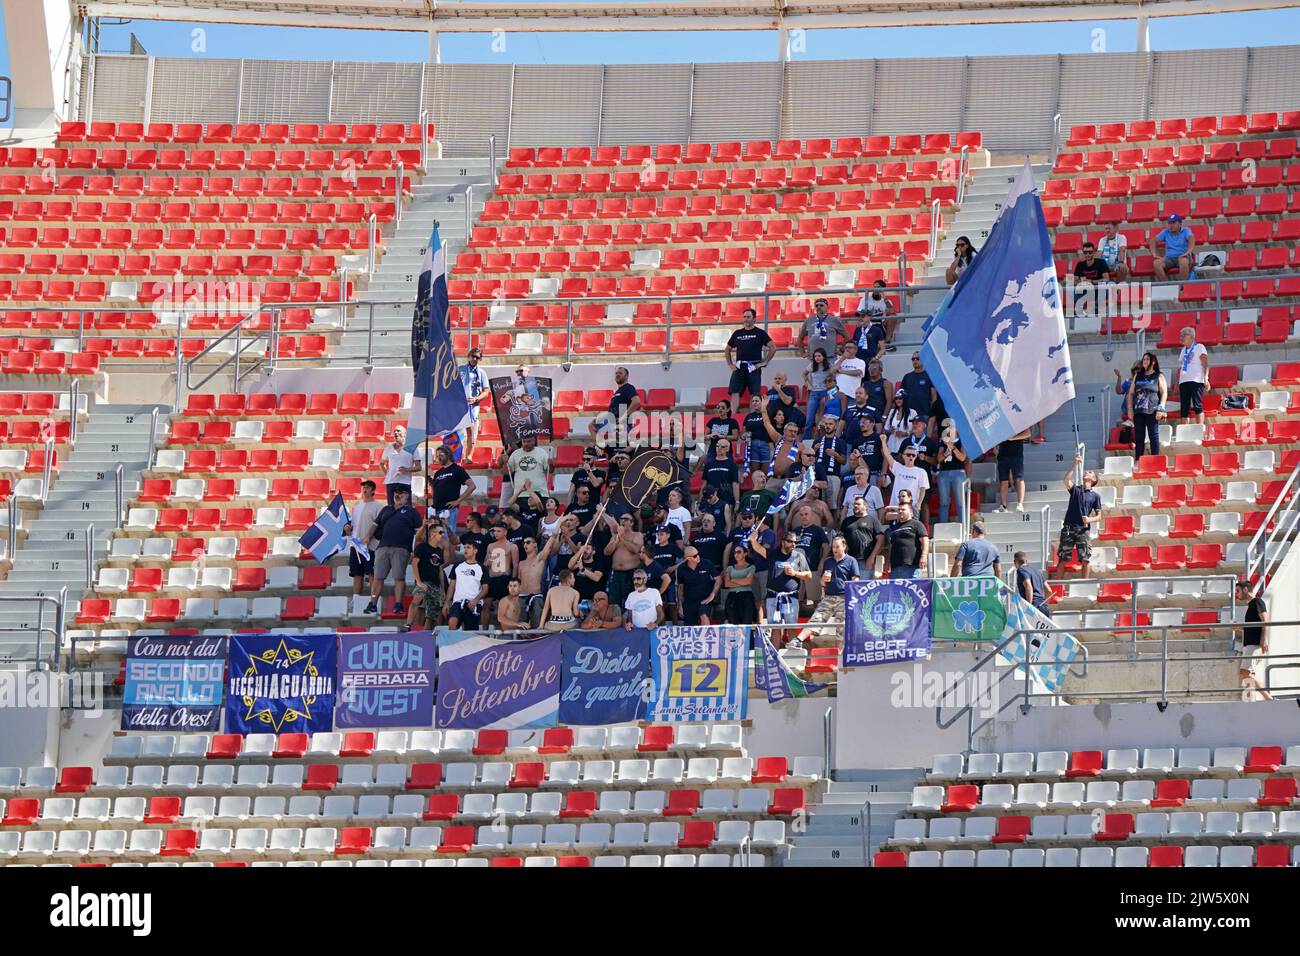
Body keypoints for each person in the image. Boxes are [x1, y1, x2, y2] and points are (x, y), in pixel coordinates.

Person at [366, 487, 423, 615]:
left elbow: (419, 532)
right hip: (383, 547)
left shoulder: (412, 512)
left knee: (399, 577)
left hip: (401, 548)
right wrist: (366, 538)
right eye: (396, 493)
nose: (397, 494)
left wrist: (416, 550)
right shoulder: (386, 509)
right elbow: (374, 526)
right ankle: (373, 603)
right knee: (378, 577)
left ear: (406, 495)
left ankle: (398, 604)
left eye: (400, 492)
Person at [1058, 453, 1102, 580]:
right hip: (1069, 527)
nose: (1086, 472)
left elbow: (1099, 516)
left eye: (1090, 472)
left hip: (1083, 529)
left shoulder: (1095, 496)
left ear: (1093, 480)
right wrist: (1074, 464)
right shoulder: (1076, 490)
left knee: (1085, 557)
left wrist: (1089, 519)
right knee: (1062, 557)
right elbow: (1066, 480)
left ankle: (1084, 584)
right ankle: (1058, 584)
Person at [725, 308, 775, 415]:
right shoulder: (737, 333)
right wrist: (730, 364)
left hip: (753, 367)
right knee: (735, 392)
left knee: (754, 394)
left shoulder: (760, 333)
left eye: (748, 317)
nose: (746, 319)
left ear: (754, 319)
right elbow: (727, 349)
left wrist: (764, 362)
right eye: (744, 317)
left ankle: (751, 417)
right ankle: (733, 416)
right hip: (739, 367)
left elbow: (773, 347)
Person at [766, 531, 811, 645]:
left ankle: (792, 659)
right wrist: (752, 539)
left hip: (790, 598)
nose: (793, 545)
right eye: (790, 542)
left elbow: (809, 575)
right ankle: (776, 658)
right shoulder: (773, 554)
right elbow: (759, 550)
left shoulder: (799, 555)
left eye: (795, 542)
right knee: (775, 628)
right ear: (783, 542)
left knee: (791, 626)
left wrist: (795, 573)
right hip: (773, 597)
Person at [1125, 351, 1168, 460]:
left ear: (1153, 362)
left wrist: (1161, 408)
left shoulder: (1158, 375)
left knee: (1153, 435)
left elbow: (1164, 392)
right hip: (1138, 410)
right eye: (1143, 359)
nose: (1145, 361)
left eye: (1147, 359)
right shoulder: (1137, 375)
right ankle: (1139, 461)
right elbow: (1130, 393)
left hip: (1152, 410)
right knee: (1139, 437)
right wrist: (1129, 409)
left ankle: (1155, 460)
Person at [406, 522, 448, 631]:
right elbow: (414, 563)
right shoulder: (422, 547)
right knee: (416, 601)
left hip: (435, 584)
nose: (442, 534)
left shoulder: (439, 550)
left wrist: (442, 589)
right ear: (432, 534)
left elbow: (439, 570)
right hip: (423, 581)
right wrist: (419, 582)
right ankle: (408, 625)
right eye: (440, 532)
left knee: (431, 614)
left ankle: (426, 633)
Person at [344, 479, 382, 597]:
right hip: (356, 545)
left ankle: (373, 600)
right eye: (364, 487)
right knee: (357, 573)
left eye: (368, 487)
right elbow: (354, 525)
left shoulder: (378, 507)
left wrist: (371, 538)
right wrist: (347, 529)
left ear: (373, 490)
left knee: (371, 573)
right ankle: (356, 599)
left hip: (370, 546)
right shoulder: (357, 507)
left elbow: (380, 526)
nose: (365, 490)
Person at [872, 500, 928, 579]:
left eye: (903, 509)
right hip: (895, 568)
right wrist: (887, 563)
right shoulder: (894, 527)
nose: (900, 511)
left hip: (911, 566)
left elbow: (925, 541)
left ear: (911, 512)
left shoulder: (917, 524)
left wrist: (924, 556)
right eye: (899, 510)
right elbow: (891, 547)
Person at [1236, 579, 1272, 702]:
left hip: (1254, 644)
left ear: (1245, 589)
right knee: (1247, 674)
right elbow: (1253, 626)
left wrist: (1264, 639)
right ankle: (1250, 700)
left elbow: (1265, 620)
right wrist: (1240, 628)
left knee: (1245, 672)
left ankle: (1269, 698)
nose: (1237, 594)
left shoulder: (1257, 601)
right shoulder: (1251, 605)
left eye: (1238, 591)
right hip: (1249, 644)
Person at [428, 446, 476, 535]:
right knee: (437, 538)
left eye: (441, 455)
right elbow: (435, 490)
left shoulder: (457, 469)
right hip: (437, 509)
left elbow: (472, 486)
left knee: (448, 536)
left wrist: (458, 501)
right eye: (437, 456)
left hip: (449, 510)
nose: (439, 458)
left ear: (448, 455)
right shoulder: (438, 472)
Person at [589, 366, 641, 443]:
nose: (617, 374)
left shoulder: (628, 387)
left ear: (626, 376)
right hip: (612, 421)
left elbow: (636, 401)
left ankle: (602, 447)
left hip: (621, 422)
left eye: (620, 373)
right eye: (616, 373)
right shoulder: (617, 392)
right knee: (592, 425)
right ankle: (600, 448)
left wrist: (624, 416)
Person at [445, 539, 486, 630]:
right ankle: (452, 644)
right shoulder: (457, 566)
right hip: (458, 602)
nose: (466, 550)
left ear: (475, 551)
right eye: (465, 548)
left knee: (470, 633)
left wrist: (475, 600)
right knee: (452, 622)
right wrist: (447, 603)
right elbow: (452, 586)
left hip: (474, 603)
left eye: (468, 547)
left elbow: (485, 589)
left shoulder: (481, 567)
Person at [933, 421, 969, 524]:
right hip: (944, 473)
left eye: (951, 427)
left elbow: (962, 457)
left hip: (958, 472)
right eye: (947, 427)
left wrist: (952, 447)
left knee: (960, 501)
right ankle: (942, 526)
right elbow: (939, 458)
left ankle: (964, 526)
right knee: (944, 502)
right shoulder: (943, 440)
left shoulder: (962, 440)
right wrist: (945, 453)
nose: (949, 429)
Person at [879, 439, 930, 511]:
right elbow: (887, 455)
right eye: (908, 455)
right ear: (903, 456)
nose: (911, 457)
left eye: (913, 455)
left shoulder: (921, 471)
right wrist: (883, 441)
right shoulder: (898, 467)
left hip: (912, 508)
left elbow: (923, 489)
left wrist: (919, 503)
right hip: (896, 506)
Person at [459, 347, 491, 458]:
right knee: (459, 431)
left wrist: (476, 399)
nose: (474, 359)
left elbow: (486, 391)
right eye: (473, 356)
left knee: (471, 430)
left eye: (477, 357)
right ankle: (458, 455)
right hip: (460, 404)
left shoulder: (481, 373)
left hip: (473, 405)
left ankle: (469, 456)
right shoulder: (460, 369)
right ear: (468, 356)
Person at [840, 495, 883, 577]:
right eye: (854, 504)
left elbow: (881, 539)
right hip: (848, 560)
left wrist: (872, 557)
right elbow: (840, 539)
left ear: (865, 506)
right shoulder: (846, 521)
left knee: (863, 587)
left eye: (858, 504)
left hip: (865, 560)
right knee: (849, 588)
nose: (855, 506)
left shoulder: (873, 520)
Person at [677, 547, 720, 626]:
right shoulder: (681, 569)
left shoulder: (706, 563)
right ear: (687, 558)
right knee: (689, 627)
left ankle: (706, 637)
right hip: (689, 601)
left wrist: (712, 595)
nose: (698, 557)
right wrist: (680, 605)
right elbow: (680, 587)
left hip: (705, 599)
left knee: (703, 615)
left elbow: (718, 579)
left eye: (698, 554)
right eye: (694, 556)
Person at [1175, 326, 1209, 426]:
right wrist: (1177, 383)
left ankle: (1199, 429)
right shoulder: (1183, 350)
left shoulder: (1200, 347)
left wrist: (1206, 378)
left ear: (1191, 336)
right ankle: (1184, 432)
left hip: (1196, 380)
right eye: (1181, 336)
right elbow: (1181, 367)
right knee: (1184, 407)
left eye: (1183, 335)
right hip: (1183, 381)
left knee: (1197, 404)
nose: (1181, 338)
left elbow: (1205, 363)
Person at [853, 279, 896, 356]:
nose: (875, 289)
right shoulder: (866, 299)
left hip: (881, 323)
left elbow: (892, 311)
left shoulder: (885, 300)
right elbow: (858, 313)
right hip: (868, 323)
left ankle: (886, 342)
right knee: (860, 323)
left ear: (883, 289)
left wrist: (884, 298)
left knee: (893, 317)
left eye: (878, 287)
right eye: (874, 287)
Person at [993, 429, 1032, 513]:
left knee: (1019, 479)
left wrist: (1013, 438)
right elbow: (995, 434)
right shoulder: (1001, 420)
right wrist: (995, 446)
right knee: (1003, 480)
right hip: (1002, 454)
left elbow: (1028, 433)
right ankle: (1003, 505)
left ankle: (1020, 504)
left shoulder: (1019, 420)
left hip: (1016, 454)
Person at [798, 297, 847, 362]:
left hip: (830, 357)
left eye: (821, 305)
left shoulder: (834, 320)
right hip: (813, 358)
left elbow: (847, 336)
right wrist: (802, 353)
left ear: (827, 307)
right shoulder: (809, 320)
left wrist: (841, 350)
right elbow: (800, 338)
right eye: (816, 305)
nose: (818, 307)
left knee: (830, 372)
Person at [1150, 213, 1195, 282]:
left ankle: (1182, 287)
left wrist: (1188, 252)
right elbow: (1153, 241)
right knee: (1156, 263)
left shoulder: (1186, 230)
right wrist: (1154, 254)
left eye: (1173, 223)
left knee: (1184, 262)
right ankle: (1166, 285)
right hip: (1169, 258)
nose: (1171, 225)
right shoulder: (1166, 232)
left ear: (1180, 223)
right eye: (1169, 223)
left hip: (1182, 256)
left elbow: (1191, 239)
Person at [379, 425, 416, 506]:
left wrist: (406, 469)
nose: (396, 432)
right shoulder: (388, 448)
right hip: (391, 483)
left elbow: (418, 467)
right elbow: (381, 463)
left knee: (406, 509)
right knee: (392, 508)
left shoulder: (412, 447)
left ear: (405, 434)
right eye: (395, 431)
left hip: (404, 482)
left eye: (398, 431)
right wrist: (387, 475)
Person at [803, 348, 835, 439]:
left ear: (824, 357)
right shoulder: (812, 365)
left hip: (825, 393)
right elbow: (803, 374)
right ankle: (806, 440)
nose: (817, 358)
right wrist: (808, 384)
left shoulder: (829, 365)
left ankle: (821, 439)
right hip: (814, 393)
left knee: (822, 419)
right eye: (815, 356)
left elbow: (834, 376)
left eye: (819, 356)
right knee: (809, 419)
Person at [722, 546, 758, 624]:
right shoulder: (729, 568)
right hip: (732, 597)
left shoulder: (751, 567)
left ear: (745, 554)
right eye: (734, 552)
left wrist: (734, 580)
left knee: (747, 623)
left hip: (747, 597)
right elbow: (727, 583)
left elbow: (748, 581)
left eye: (739, 552)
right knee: (733, 624)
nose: (736, 554)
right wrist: (742, 581)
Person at [899, 352, 937, 425]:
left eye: (917, 358)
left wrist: (932, 415)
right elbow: (901, 397)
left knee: (923, 436)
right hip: (909, 414)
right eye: (913, 359)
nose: (915, 361)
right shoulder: (907, 377)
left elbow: (934, 398)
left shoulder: (929, 376)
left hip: (924, 414)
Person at [830, 340, 865, 412]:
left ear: (855, 350)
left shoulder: (860, 361)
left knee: (849, 417)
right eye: (846, 347)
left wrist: (842, 371)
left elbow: (858, 372)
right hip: (838, 395)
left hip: (851, 395)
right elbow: (832, 371)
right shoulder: (838, 361)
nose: (847, 349)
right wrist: (842, 358)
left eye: (850, 347)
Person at [1013, 552, 1051, 618]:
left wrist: (1029, 607)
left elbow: (1028, 587)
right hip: (1044, 607)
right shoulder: (1037, 571)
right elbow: (1049, 591)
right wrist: (1044, 602)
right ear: (1026, 561)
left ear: (1014, 562)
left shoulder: (1021, 570)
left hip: (1034, 607)